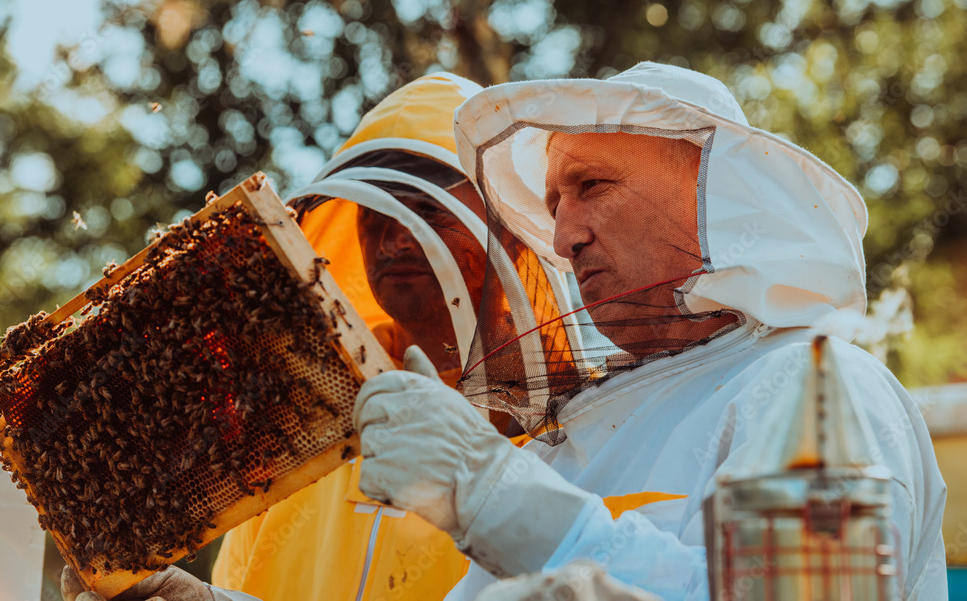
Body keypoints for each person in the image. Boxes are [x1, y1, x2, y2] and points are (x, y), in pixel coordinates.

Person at [349, 62, 949, 600]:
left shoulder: (815, 389)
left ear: (709, 194)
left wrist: (500, 500)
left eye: (592, 186)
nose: (563, 238)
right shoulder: (572, 445)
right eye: (555, 205)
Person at [62, 72, 566, 601]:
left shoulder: (571, 424)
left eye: (426, 211)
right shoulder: (297, 418)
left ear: (510, 231)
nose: (394, 240)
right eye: (373, 216)